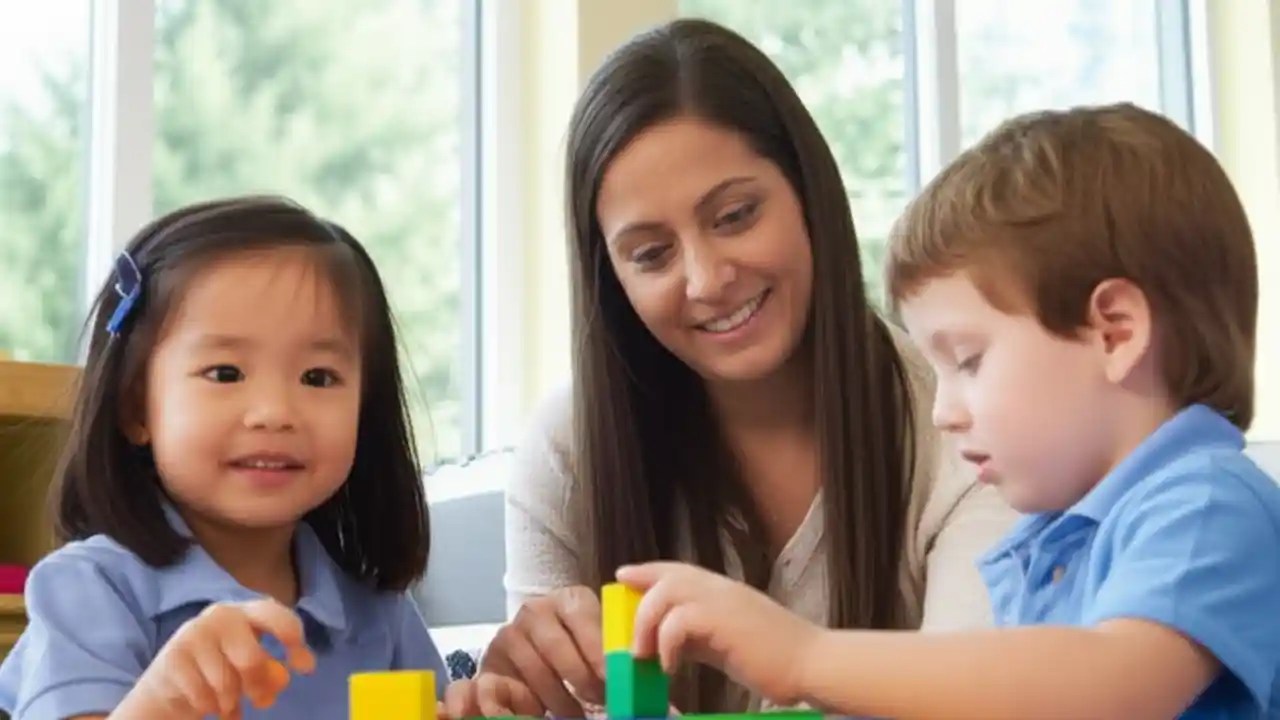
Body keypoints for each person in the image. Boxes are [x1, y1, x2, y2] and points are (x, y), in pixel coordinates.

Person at [603, 104, 1280, 718]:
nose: (943, 414)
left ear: (1115, 332)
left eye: (969, 360)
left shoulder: (1206, 506)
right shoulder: (1055, 537)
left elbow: (1111, 690)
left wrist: (804, 657)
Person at [457, 17, 1018, 717]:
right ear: (613, 281)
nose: (706, 278)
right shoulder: (569, 450)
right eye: (651, 255)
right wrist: (522, 693)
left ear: (808, 193)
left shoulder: (967, 428)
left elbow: (975, 699)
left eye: (735, 216)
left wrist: (797, 659)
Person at [0, 196, 448, 719]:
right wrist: (158, 702)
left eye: (318, 377)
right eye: (226, 373)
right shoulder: (89, 587)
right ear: (134, 407)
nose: (275, 413)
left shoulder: (382, 613)